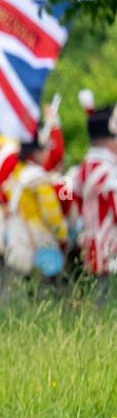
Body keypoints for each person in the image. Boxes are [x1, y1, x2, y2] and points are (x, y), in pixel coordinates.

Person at [3, 133, 69, 278]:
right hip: (40, 240)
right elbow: (51, 215)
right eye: (44, 149)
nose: (47, 153)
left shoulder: (16, 173)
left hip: (19, 238)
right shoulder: (39, 179)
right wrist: (63, 235)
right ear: (36, 153)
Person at [74, 104, 117, 297]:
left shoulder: (82, 169)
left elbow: (68, 196)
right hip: (111, 249)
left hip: (89, 245)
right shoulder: (109, 173)